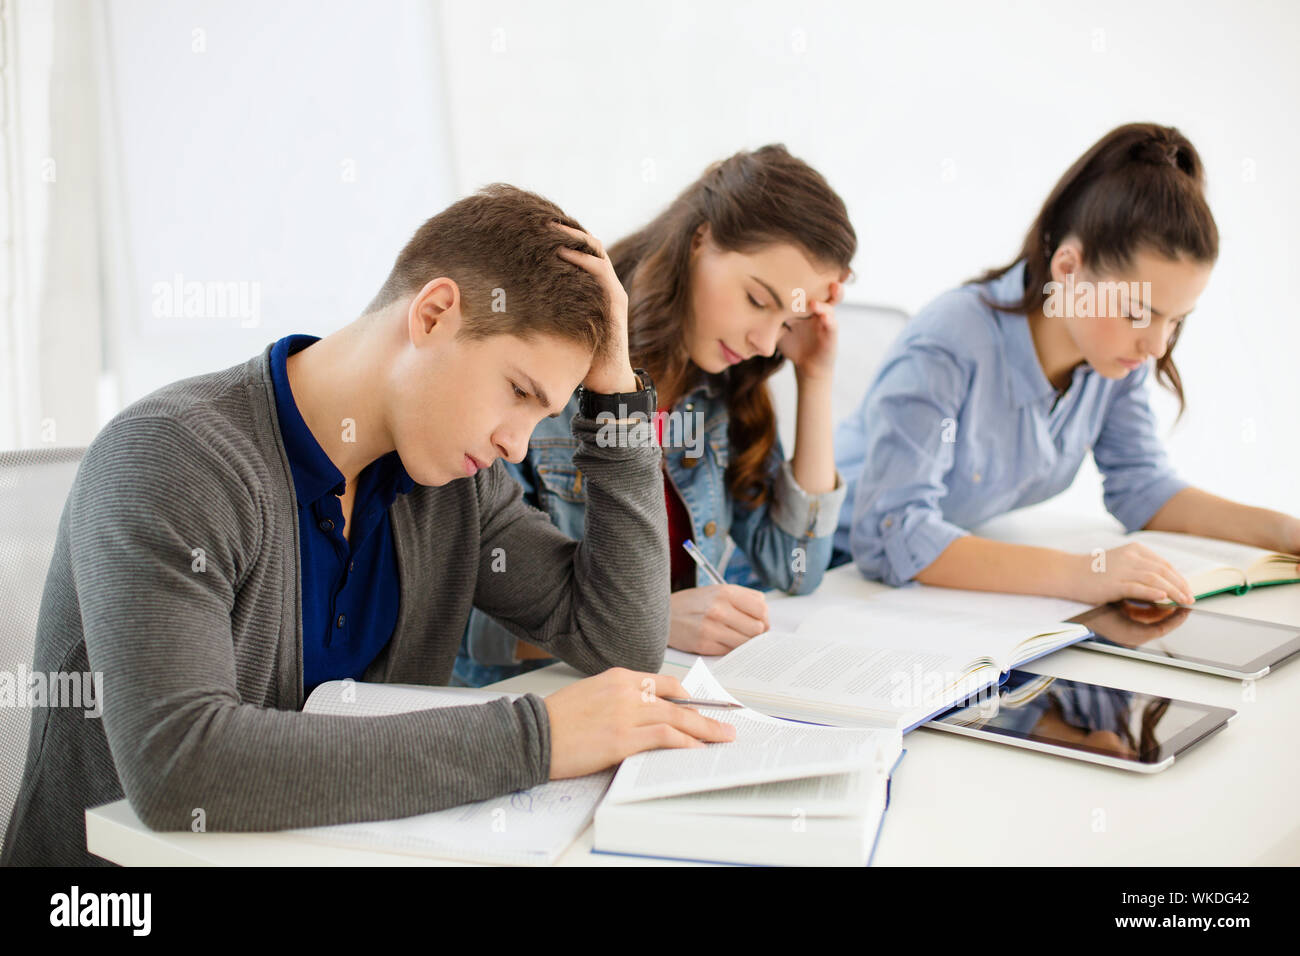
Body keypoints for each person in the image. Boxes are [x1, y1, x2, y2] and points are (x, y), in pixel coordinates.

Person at [1, 185, 734, 867]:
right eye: (518, 391)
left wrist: (616, 391)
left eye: (543, 413)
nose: (517, 442)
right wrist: (536, 740)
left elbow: (620, 640)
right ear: (434, 313)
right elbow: (180, 766)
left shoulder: (454, 485)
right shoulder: (171, 456)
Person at [834, 123, 1300, 603]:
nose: (1157, 346)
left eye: (1176, 321)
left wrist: (1287, 533)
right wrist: (1082, 574)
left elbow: (1143, 487)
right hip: (821, 572)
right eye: (1138, 311)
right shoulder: (950, 340)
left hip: (914, 591)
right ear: (1069, 270)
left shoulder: (1112, 358)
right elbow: (892, 532)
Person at [454, 145, 856, 686]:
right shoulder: (554, 372)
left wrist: (815, 376)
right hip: (542, 695)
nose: (765, 343)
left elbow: (796, 566)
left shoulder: (722, 390)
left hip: (672, 684)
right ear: (700, 240)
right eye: (759, 300)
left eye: (790, 320)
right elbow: (472, 626)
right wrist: (654, 622)